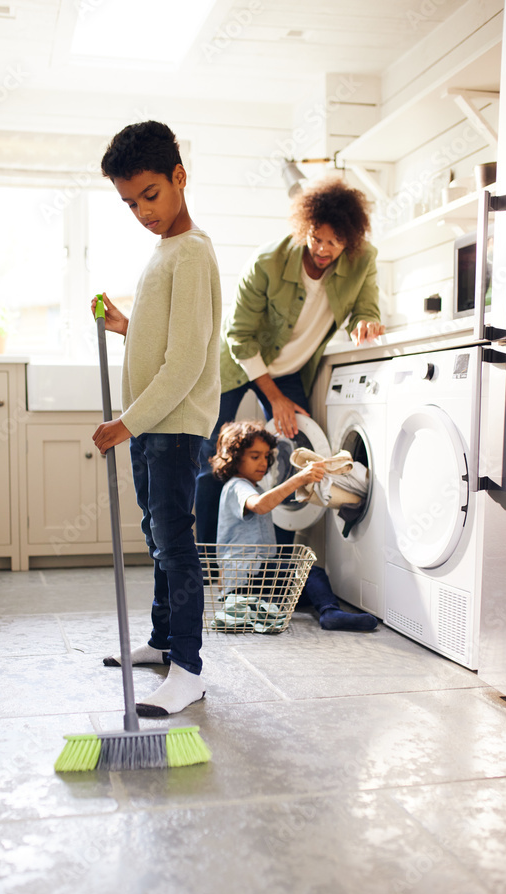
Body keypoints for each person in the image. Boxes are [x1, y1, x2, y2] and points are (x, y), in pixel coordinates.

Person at [91, 120, 222, 717]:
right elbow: (160, 340)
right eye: (128, 202)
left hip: (170, 426)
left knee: (175, 546)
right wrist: (124, 324)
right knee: (158, 537)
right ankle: (163, 641)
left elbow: (188, 360)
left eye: (150, 195)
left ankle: (188, 670)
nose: (142, 211)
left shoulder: (191, 252)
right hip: (153, 425)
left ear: (179, 178)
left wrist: (126, 424)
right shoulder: (165, 251)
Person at [195, 175, 385, 544]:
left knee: (293, 454)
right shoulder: (267, 261)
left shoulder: (364, 261)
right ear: (305, 227)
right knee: (214, 457)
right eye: (317, 237)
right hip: (235, 364)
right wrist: (275, 398)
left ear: (351, 239)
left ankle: (278, 564)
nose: (323, 249)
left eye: (335, 241)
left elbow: (366, 309)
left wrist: (367, 323)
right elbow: (239, 336)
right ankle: (206, 558)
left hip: (290, 370)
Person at [212, 421, 378, 631]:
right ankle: (330, 613)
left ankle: (259, 604)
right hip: (250, 573)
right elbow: (260, 505)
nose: (263, 462)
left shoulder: (252, 485)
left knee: (306, 592)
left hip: (250, 579)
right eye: (255, 456)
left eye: (266, 456)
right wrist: (299, 479)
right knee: (310, 572)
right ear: (234, 458)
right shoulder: (237, 486)